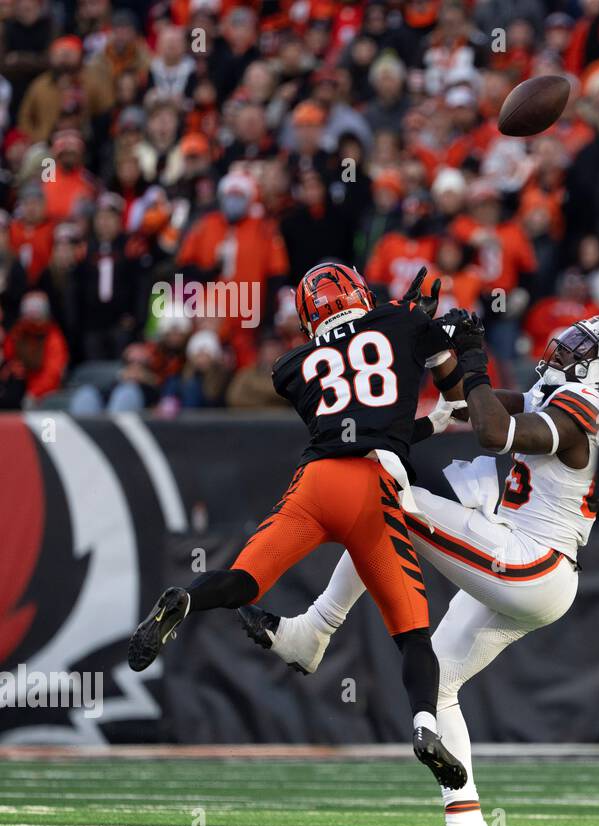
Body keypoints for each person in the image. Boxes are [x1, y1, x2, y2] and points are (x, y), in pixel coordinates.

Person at [239, 316, 599, 826]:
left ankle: (314, 630)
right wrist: (442, 350)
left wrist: (477, 359)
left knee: (386, 494)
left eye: (581, 346)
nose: (564, 349)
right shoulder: (558, 392)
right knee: (436, 682)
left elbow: (493, 432)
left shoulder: (590, 405)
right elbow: (465, 403)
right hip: (519, 555)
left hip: (534, 563)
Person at [126, 263, 468, 793]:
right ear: (359, 291)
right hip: (371, 488)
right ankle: (424, 725)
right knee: (413, 635)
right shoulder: (398, 323)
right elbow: (430, 393)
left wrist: (406, 325)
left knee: (245, 579)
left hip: (317, 480)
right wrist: (422, 325)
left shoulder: (292, 366)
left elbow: (359, 408)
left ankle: (188, 602)